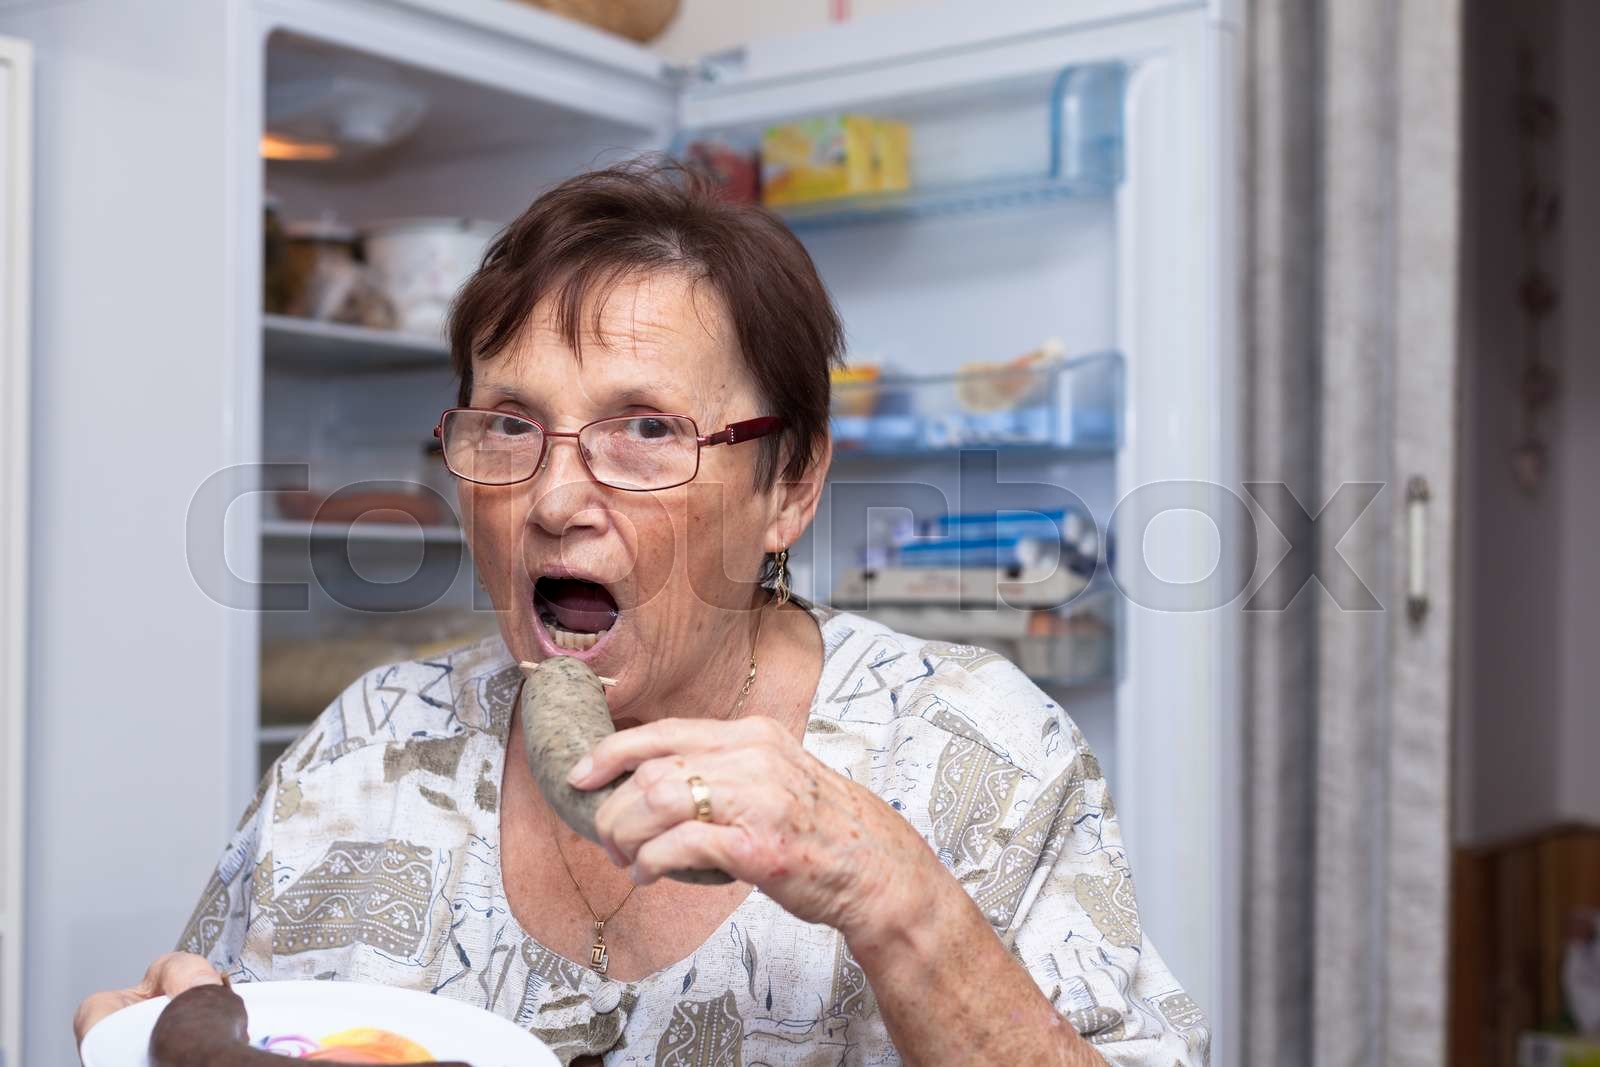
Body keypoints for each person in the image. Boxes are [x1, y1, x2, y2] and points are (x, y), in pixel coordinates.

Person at [75, 163, 1208, 1066]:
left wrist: (892, 893)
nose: (553, 500)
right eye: (508, 425)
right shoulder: (365, 746)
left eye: (648, 430)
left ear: (790, 485)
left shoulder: (980, 750)